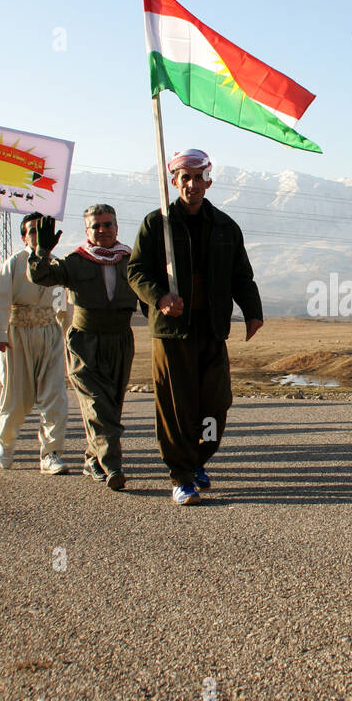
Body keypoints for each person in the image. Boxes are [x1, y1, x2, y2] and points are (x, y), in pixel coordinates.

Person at [126, 149, 264, 505]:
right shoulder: (157, 225)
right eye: (184, 177)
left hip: (212, 329)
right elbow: (136, 270)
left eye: (198, 177)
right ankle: (181, 475)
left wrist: (253, 312)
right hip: (173, 332)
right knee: (176, 407)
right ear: (174, 182)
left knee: (215, 405)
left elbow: (241, 276)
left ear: (209, 181)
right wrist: (159, 297)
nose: (192, 184)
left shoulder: (225, 226)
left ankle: (200, 457)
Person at [30, 205, 139, 491]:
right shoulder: (76, 261)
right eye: (96, 226)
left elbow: (149, 293)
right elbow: (41, 277)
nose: (102, 230)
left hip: (119, 340)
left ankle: (92, 459)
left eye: (107, 224)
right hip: (85, 341)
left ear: (116, 227)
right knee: (96, 403)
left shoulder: (131, 260)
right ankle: (113, 464)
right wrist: (42, 251)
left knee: (111, 404)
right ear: (87, 231)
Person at [0, 212, 70, 474]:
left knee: (55, 395)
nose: (37, 236)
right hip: (17, 336)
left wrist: (64, 330)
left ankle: (51, 453)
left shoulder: (56, 264)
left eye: (41, 230)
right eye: (32, 231)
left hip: (49, 334)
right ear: (24, 236)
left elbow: (61, 302)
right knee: (16, 398)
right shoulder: (15, 263)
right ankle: (7, 442)